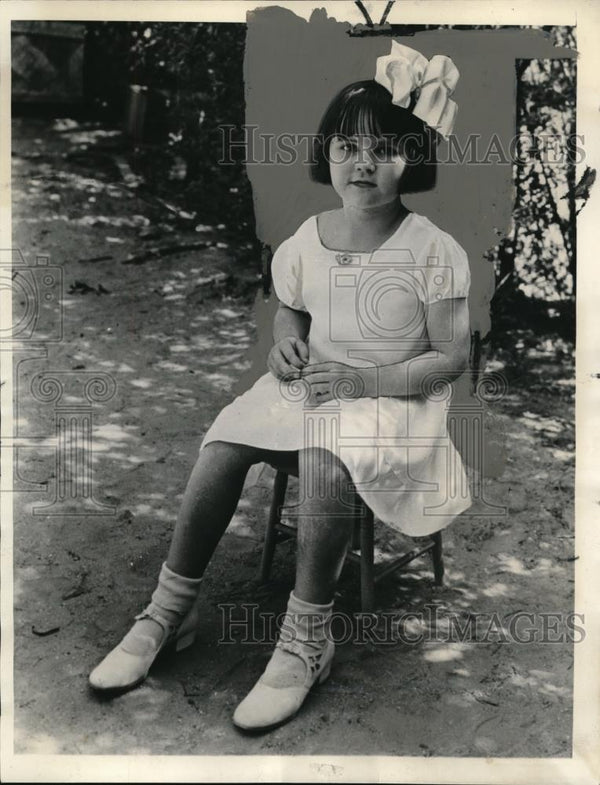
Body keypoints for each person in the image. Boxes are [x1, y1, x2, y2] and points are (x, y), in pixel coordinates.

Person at [88, 42, 472, 732]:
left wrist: (366, 376)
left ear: (412, 157)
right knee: (223, 442)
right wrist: (284, 341)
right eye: (348, 147)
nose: (362, 163)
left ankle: (305, 636)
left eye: (384, 149)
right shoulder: (310, 235)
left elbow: (449, 357)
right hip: (318, 382)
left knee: (327, 457)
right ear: (326, 153)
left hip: (395, 399)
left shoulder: (430, 248)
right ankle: (170, 609)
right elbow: (293, 299)